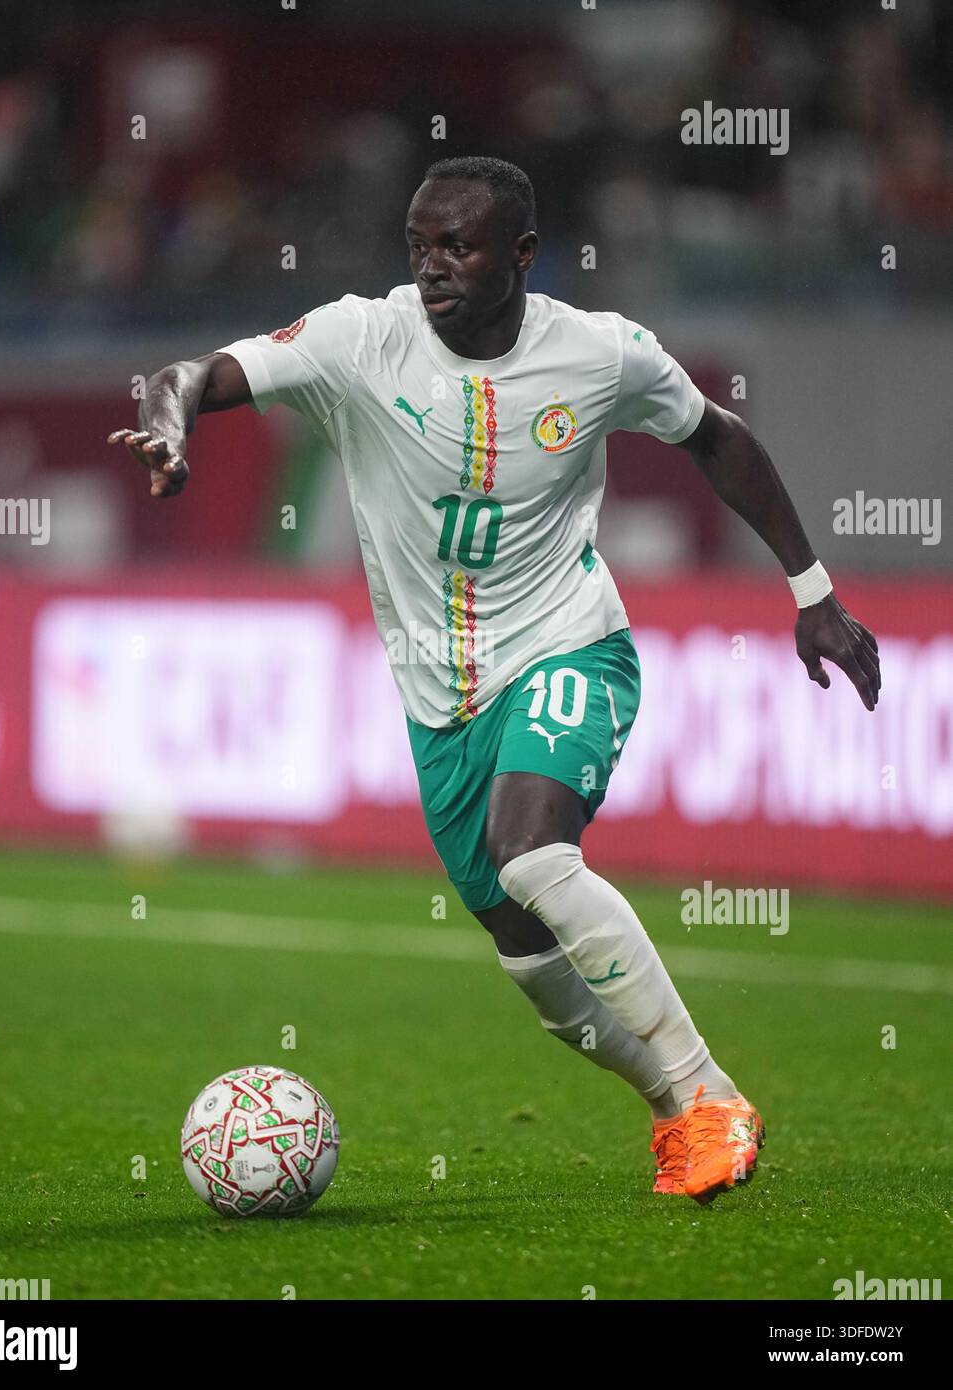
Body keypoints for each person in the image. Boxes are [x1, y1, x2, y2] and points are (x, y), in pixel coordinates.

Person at [109, 156, 880, 1204]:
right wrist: (169, 416)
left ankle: (709, 1096)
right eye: (419, 245)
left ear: (521, 254)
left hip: (569, 645)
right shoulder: (359, 339)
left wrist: (812, 588)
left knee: (533, 854)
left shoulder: (600, 353)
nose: (432, 268)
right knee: (541, 979)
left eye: (458, 247)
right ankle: (677, 1107)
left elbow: (718, 438)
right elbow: (193, 372)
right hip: (437, 704)